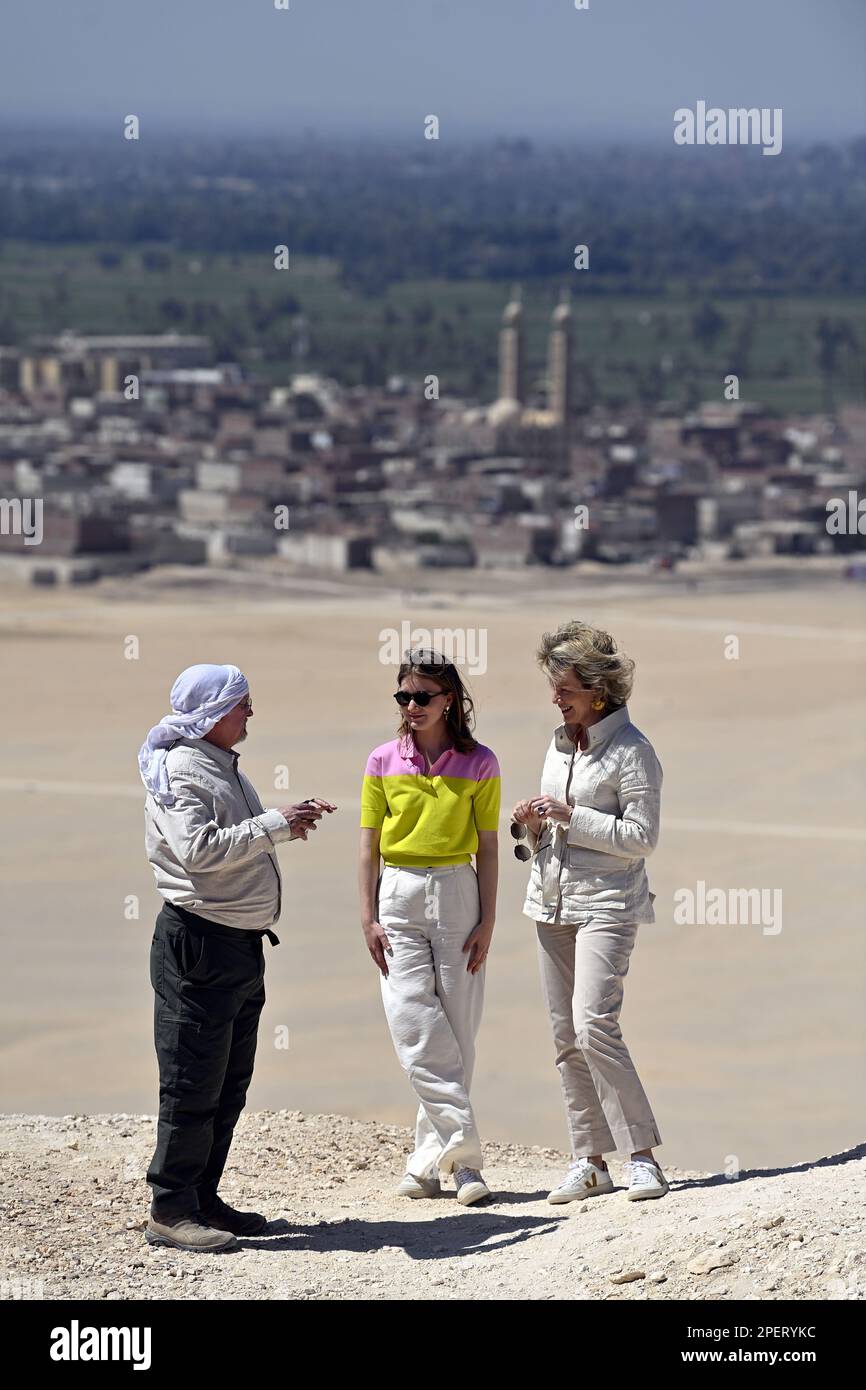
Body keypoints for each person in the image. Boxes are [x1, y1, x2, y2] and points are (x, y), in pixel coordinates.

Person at [139, 662, 335, 1251]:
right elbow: (198, 852)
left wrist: (281, 823)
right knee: (191, 1081)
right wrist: (274, 825)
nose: (251, 713)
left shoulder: (219, 764)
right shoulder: (181, 769)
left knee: (229, 1080)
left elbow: (235, 836)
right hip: (199, 944)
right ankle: (171, 1210)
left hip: (240, 948)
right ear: (213, 712)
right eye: (242, 704)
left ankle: (203, 1198)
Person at [512, 622, 668, 1204]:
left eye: (566, 689)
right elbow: (547, 829)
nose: (556, 698)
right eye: (555, 687)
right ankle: (590, 1160)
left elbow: (641, 836)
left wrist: (571, 815)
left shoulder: (633, 752)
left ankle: (643, 1158)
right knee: (563, 1035)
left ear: (597, 691)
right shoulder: (559, 744)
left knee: (593, 1023)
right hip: (550, 901)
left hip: (607, 903)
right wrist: (529, 823)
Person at [358, 649, 500, 1206]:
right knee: (415, 1027)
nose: (412, 706)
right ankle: (465, 1160)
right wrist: (367, 916)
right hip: (398, 894)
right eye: (404, 697)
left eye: (423, 696)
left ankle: (429, 1165)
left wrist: (488, 918)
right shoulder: (381, 760)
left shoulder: (480, 762)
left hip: (457, 893)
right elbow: (367, 845)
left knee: (458, 1031)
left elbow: (488, 847)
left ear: (451, 702)